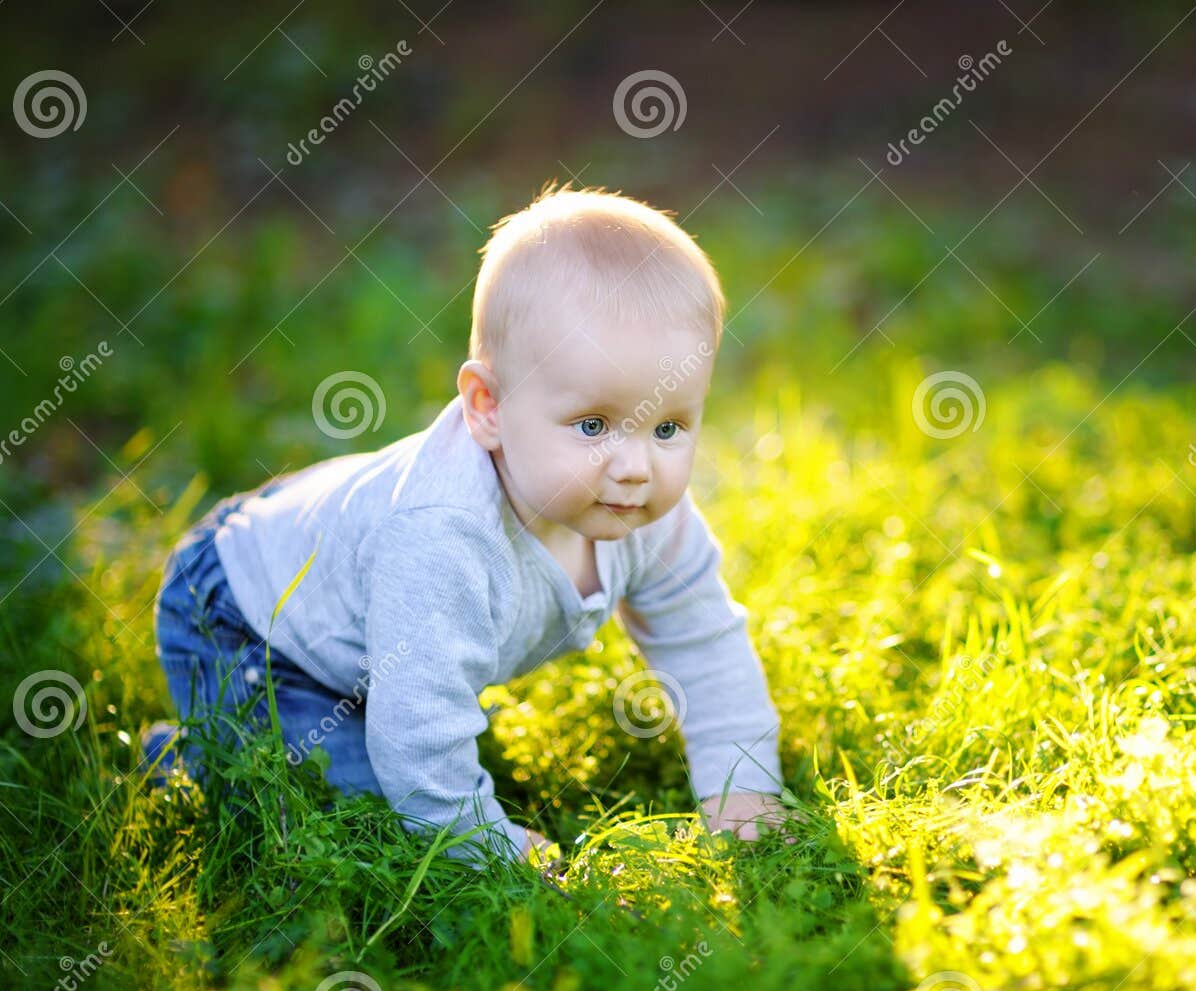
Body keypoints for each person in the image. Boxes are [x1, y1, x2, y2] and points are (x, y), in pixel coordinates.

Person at [141, 183, 788, 864]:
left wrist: (744, 792)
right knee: (356, 816)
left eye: (668, 427)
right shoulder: (443, 539)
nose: (635, 467)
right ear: (487, 407)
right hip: (247, 620)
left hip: (364, 609)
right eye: (593, 425)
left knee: (408, 706)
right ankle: (191, 763)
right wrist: (496, 852)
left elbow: (705, 643)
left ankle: (364, 704)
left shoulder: (648, 515)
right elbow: (420, 743)